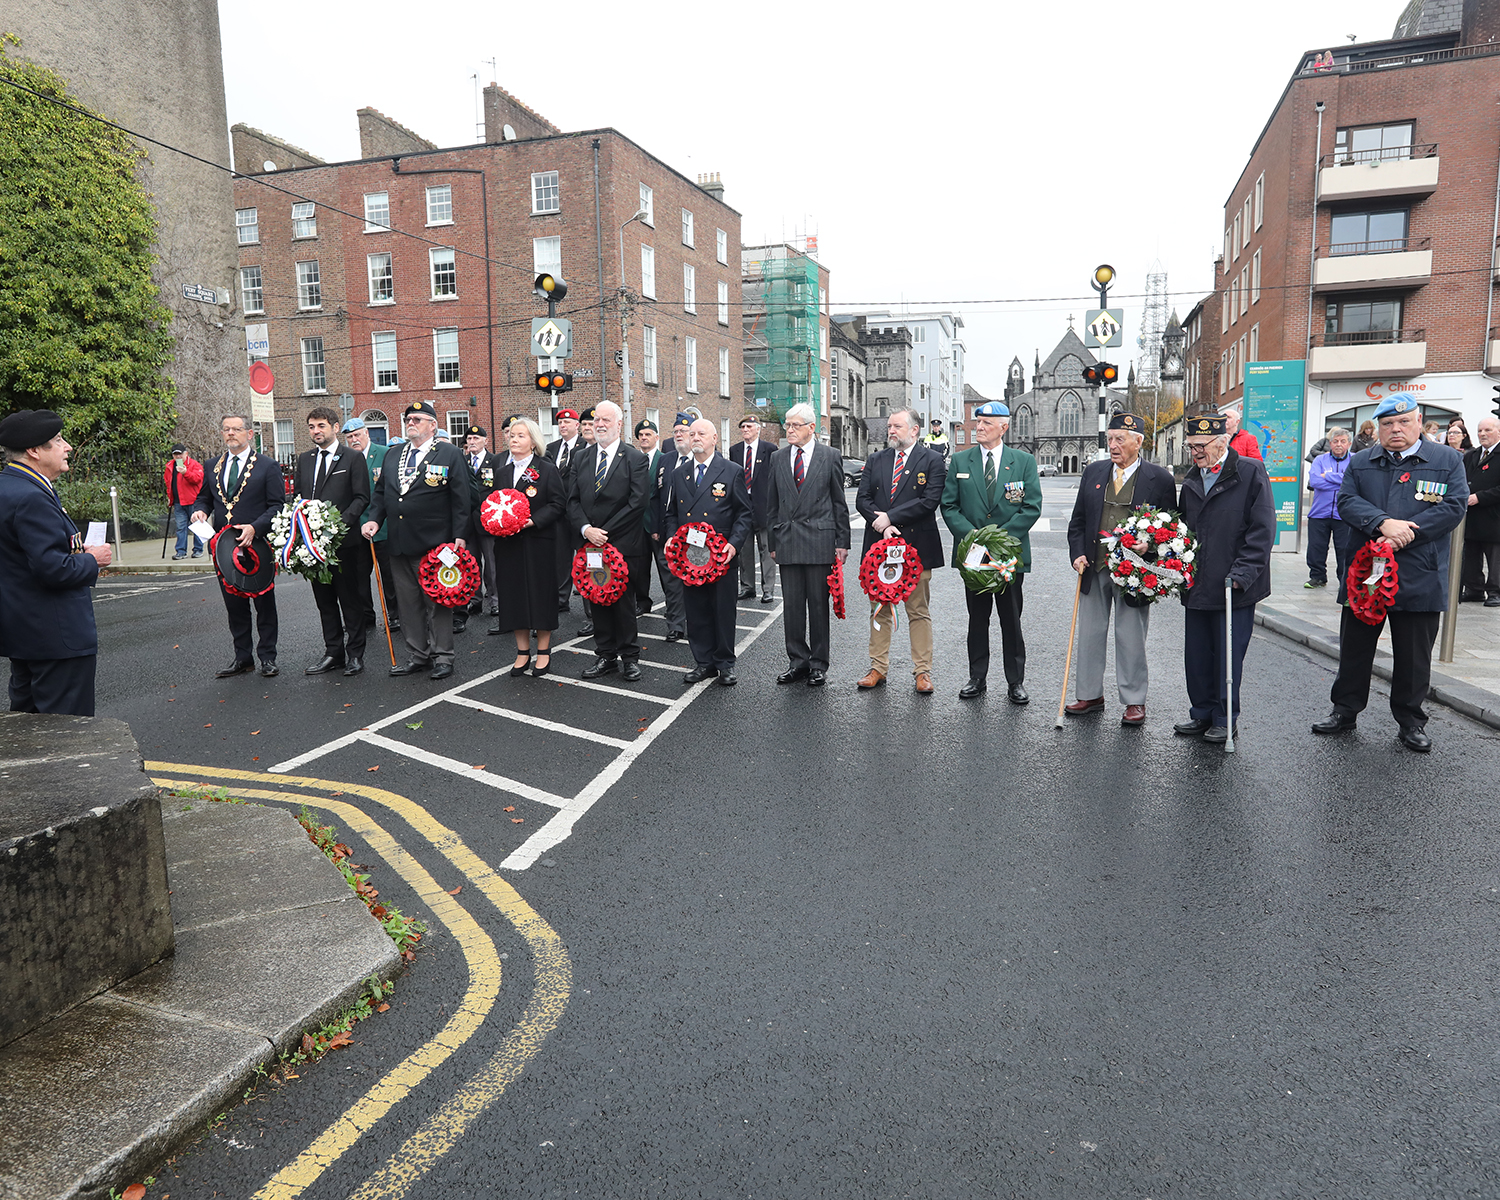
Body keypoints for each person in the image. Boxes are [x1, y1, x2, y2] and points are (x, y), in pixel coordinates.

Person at [1313, 399, 1468, 751]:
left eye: (1403, 422)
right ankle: (1345, 710)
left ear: (1419, 421)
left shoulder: (1447, 460)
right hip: (1366, 573)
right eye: (1387, 424)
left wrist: (1406, 533)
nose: (1395, 429)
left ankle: (1411, 721)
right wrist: (1383, 523)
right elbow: (1347, 501)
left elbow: (1454, 506)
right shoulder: (1361, 460)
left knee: (1414, 655)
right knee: (1355, 648)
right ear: (1378, 428)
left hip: (1420, 572)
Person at [1064, 412, 1177, 725]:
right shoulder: (1094, 472)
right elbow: (1078, 522)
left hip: (1134, 572)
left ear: (1138, 442)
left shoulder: (1160, 479)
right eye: (1110, 439)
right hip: (1095, 566)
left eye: (1120, 440)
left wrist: (1151, 546)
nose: (1113, 446)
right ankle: (1089, 694)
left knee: (1130, 636)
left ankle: (1133, 700)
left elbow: (1172, 528)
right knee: (1089, 633)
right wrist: (1077, 554)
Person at [0, 409, 112, 715]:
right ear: (34, 451)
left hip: (24, 635)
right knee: (65, 734)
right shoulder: (32, 495)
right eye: (58, 440)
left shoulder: (10, 486)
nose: (68, 447)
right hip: (56, 639)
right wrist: (93, 559)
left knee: (26, 730)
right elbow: (52, 569)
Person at [1173, 414, 1277, 743]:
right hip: (1198, 581)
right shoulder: (1191, 478)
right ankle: (1201, 712)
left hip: (1234, 584)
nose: (1195, 453)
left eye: (1201, 446)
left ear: (1222, 443)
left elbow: (1262, 530)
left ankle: (1225, 716)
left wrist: (1243, 573)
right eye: (1191, 447)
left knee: (1228, 655)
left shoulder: (1250, 472)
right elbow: (1183, 528)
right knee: (1198, 654)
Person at [940, 399, 1042, 703]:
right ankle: (977, 677)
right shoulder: (961, 461)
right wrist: (974, 537)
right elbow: (949, 505)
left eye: (986, 423)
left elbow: (1031, 506)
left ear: (1003, 427)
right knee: (978, 618)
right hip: (973, 554)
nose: (979, 427)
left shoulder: (1023, 462)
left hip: (1009, 555)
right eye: (978, 422)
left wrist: (998, 540)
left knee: (1011, 619)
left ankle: (1015, 681)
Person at [360, 401, 470, 681]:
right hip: (399, 542)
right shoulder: (394, 454)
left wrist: (460, 535)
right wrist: (374, 518)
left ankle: (443, 655)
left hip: (435, 543)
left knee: (438, 601)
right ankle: (418, 654)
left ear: (433, 425)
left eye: (418, 419)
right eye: (409, 419)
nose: (411, 423)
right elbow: (383, 493)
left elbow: (461, 498)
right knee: (408, 603)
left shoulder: (449, 453)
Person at [854, 407, 947, 694]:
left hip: (916, 547)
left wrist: (891, 518)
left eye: (896, 426)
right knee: (879, 608)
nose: (890, 431)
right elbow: (862, 499)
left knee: (917, 610)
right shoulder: (876, 459)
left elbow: (929, 501)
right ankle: (877, 668)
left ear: (914, 430)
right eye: (889, 426)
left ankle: (923, 672)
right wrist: (881, 524)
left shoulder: (932, 460)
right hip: (879, 547)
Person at [763, 402, 851, 687]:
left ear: (811, 428)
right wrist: (772, 542)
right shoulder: (778, 458)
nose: (789, 429)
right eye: (787, 425)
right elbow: (772, 504)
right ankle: (797, 661)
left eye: (795, 425)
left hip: (819, 540)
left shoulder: (830, 456)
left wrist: (843, 542)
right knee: (792, 607)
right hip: (788, 540)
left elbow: (839, 502)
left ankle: (818, 664)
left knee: (817, 605)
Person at [193, 414, 285, 678]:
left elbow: (277, 505)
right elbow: (204, 499)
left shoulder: (267, 466)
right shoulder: (212, 465)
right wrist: (199, 512)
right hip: (225, 547)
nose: (231, 433)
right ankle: (242, 657)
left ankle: (267, 657)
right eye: (226, 429)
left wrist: (255, 527)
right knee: (234, 605)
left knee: (264, 603)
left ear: (249, 434)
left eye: (236, 429)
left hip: (257, 544)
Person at [663, 418, 752, 685]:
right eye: (692, 434)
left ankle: (725, 663)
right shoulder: (679, 473)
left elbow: (744, 514)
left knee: (723, 610)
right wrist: (670, 538)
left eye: (701, 433)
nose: (696, 438)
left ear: (715, 438)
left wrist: (733, 544)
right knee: (697, 610)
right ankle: (704, 662)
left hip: (720, 556)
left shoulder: (731, 470)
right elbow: (671, 514)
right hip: (690, 556)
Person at [567, 400, 649, 681]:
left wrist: (604, 534)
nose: (600, 424)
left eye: (606, 419)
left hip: (622, 544)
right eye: (596, 419)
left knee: (623, 605)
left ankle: (629, 658)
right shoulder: (581, 458)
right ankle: (605, 656)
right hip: (590, 544)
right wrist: (586, 529)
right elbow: (572, 500)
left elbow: (637, 503)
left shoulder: (636, 459)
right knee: (597, 599)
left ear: (619, 424)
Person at [293, 406, 372, 676]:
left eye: (321, 426)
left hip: (344, 544)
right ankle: (333, 652)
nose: (316, 431)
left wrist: (338, 525)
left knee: (350, 601)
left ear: (335, 427)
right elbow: (297, 499)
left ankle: (355, 655)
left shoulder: (352, 458)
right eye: (312, 427)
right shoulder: (304, 459)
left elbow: (362, 497)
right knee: (324, 601)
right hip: (312, 547)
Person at [491, 418, 567, 674]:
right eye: (512, 435)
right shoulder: (501, 471)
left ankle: (543, 651)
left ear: (533, 441)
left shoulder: (545, 469)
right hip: (508, 545)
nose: (514, 439)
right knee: (514, 597)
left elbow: (558, 504)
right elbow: (492, 504)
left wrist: (532, 521)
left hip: (538, 543)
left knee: (540, 596)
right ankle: (522, 652)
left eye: (520, 435)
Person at [342, 418, 398, 635]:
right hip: (357, 528)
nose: (354, 440)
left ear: (366, 434)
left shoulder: (385, 453)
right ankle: (365, 616)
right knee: (358, 576)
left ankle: (395, 615)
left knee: (389, 575)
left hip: (382, 527)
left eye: (357, 435)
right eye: (350, 437)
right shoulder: (346, 459)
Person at [648, 414, 694, 643]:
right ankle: (675, 624)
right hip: (668, 531)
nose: (678, 435)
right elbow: (656, 497)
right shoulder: (666, 460)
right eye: (675, 431)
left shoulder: (700, 459)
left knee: (694, 578)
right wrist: (657, 527)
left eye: (683, 431)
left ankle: (694, 621)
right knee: (671, 580)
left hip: (696, 533)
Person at [728, 415, 776, 603]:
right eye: (743, 427)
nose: (745, 429)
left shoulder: (769, 450)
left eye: (749, 426)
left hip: (763, 507)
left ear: (758, 429)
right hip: (742, 507)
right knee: (744, 549)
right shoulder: (735, 450)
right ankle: (747, 587)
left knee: (766, 549)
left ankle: (768, 589)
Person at [458, 425, 501, 635]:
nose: (472, 441)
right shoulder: (462, 462)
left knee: (492, 564)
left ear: (485, 440)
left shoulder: (494, 462)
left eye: (476, 438)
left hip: (488, 520)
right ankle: (474, 600)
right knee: (470, 563)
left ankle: (495, 600)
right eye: (469, 438)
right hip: (467, 521)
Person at [547, 408, 586, 618]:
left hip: (579, 510)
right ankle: (562, 599)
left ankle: (590, 601)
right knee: (560, 557)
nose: (563, 426)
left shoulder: (584, 447)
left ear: (576, 425)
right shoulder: (551, 448)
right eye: (560, 423)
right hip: (559, 512)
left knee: (585, 555)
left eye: (567, 422)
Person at [1305, 427, 1354, 594]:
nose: (1338, 444)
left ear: (1349, 444)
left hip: (1345, 514)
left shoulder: (1355, 460)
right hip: (1319, 512)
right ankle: (1317, 576)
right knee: (1316, 547)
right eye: (1335, 441)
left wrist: (1328, 476)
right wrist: (1341, 481)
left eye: (1342, 441)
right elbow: (1315, 482)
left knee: (1344, 549)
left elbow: (1353, 482)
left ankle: (1344, 580)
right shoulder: (1320, 460)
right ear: (1330, 443)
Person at [1461, 415, 1500, 607]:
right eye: (1479, 431)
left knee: (1495, 556)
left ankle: (1495, 591)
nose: (1482, 434)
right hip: (1471, 515)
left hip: (1494, 516)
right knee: (1471, 553)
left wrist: (1480, 497)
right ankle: (1474, 588)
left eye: (1488, 430)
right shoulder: (1471, 455)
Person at [630, 418, 662, 617]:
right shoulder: (632, 459)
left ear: (656, 437)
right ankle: (642, 602)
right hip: (637, 524)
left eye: (648, 434)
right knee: (640, 568)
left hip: (657, 522)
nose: (644, 438)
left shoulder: (664, 459)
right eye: (641, 435)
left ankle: (674, 606)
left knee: (664, 566)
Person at [163, 443, 204, 559]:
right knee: (181, 527)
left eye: (180, 454)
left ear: (186, 454)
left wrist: (185, 473)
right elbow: (168, 483)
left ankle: (198, 550)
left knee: (197, 526)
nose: (178, 457)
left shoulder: (194, 465)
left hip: (193, 501)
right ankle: (181, 551)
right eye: (175, 454)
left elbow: (197, 479)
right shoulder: (170, 467)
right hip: (178, 501)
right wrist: (170, 497)